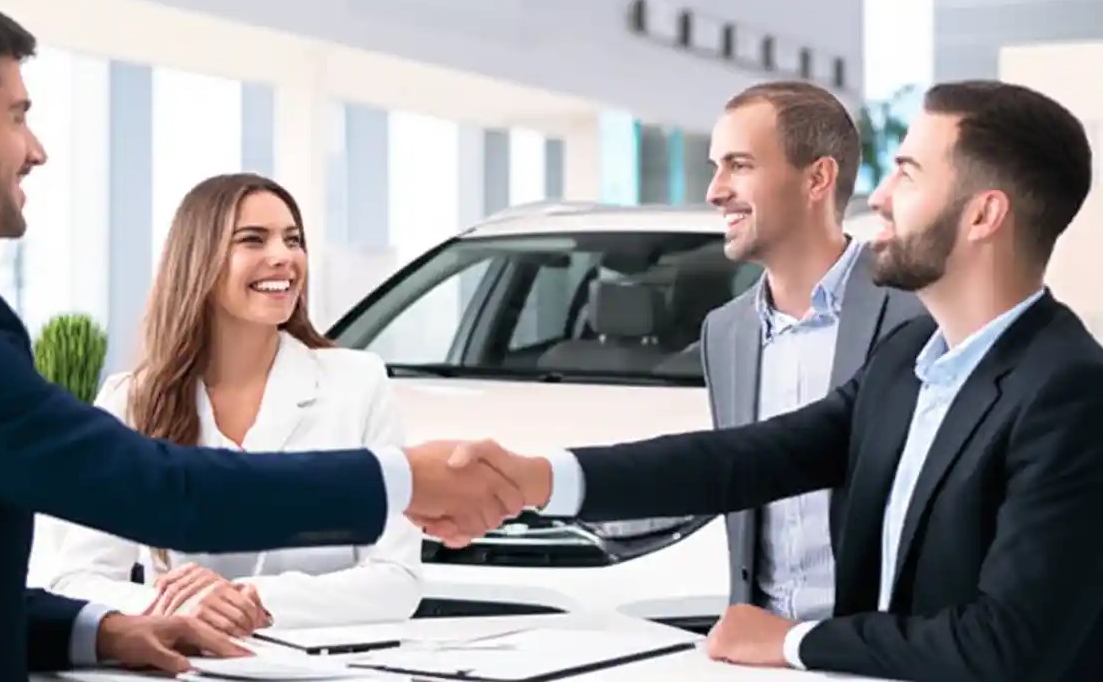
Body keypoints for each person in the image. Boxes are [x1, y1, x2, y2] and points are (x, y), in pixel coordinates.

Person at [0, 0, 521, 681]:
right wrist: (402, 478)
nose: (35, 150)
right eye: (17, 116)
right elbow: (161, 492)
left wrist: (101, 629)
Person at [449, 80, 1103, 682]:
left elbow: (1010, 643)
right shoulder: (910, 360)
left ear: (983, 216)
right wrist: (533, 478)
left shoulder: (1070, 392)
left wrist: (792, 641)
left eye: (907, 174)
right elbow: (747, 459)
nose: (877, 196)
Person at [39, 173, 422, 632]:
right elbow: (77, 578)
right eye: (253, 240)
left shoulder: (358, 382)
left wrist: (251, 600)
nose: (283, 257)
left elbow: (398, 579)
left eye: (292, 240)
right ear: (199, 260)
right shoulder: (132, 400)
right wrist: (183, 607)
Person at [701, 81, 922, 621]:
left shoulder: (917, 317)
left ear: (817, 178)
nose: (715, 190)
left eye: (739, 165)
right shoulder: (724, 332)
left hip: (880, 649)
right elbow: (730, 477)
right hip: (758, 646)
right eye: (716, 166)